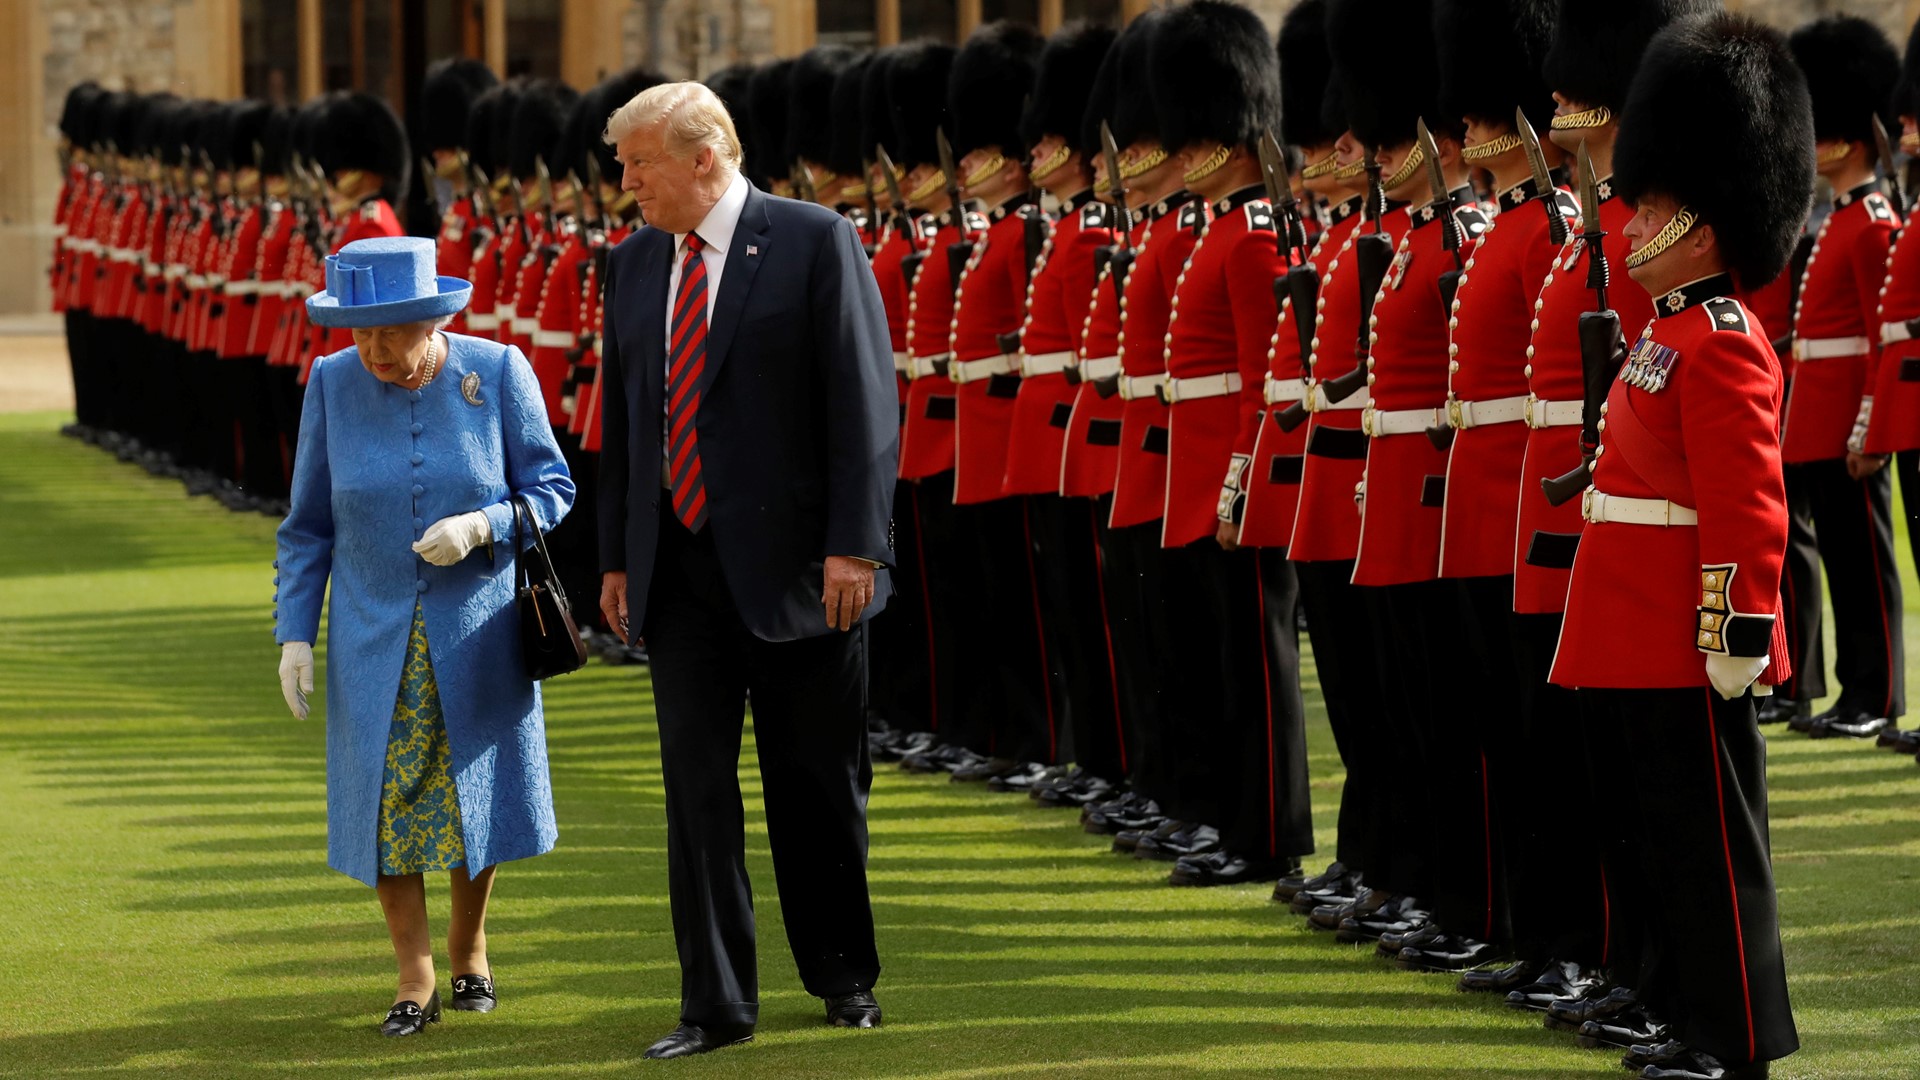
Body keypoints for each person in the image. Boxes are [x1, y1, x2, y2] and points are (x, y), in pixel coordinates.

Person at [594, 80, 898, 1059]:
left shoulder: (813, 241)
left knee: (815, 788)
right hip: (678, 577)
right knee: (695, 794)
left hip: (803, 573)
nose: (624, 181)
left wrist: (857, 541)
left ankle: (843, 976)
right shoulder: (634, 265)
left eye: (638, 162)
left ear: (703, 155)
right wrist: (614, 560)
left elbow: (862, 399)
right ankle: (715, 1003)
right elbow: (626, 427)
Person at [1552, 11, 1810, 1077]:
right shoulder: (1663, 332)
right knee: (1655, 843)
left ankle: (1734, 1036)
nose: (1631, 219)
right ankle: (1676, 1009)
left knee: (1709, 853)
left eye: (1650, 204)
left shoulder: (1720, 342)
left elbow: (1749, 502)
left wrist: (1738, 626)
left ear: (1701, 226)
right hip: (1625, 622)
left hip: (1681, 632)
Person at [273, 235, 575, 1035]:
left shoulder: (499, 371)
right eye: (358, 332)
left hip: (476, 634)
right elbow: (306, 527)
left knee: (470, 799)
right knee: (385, 810)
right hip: (372, 641)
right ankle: (414, 977)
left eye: (390, 332)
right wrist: (294, 633)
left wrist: (484, 523)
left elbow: (553, 487)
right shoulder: (331, 383)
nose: (372, 349)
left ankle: (470, 948)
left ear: (434, 320)